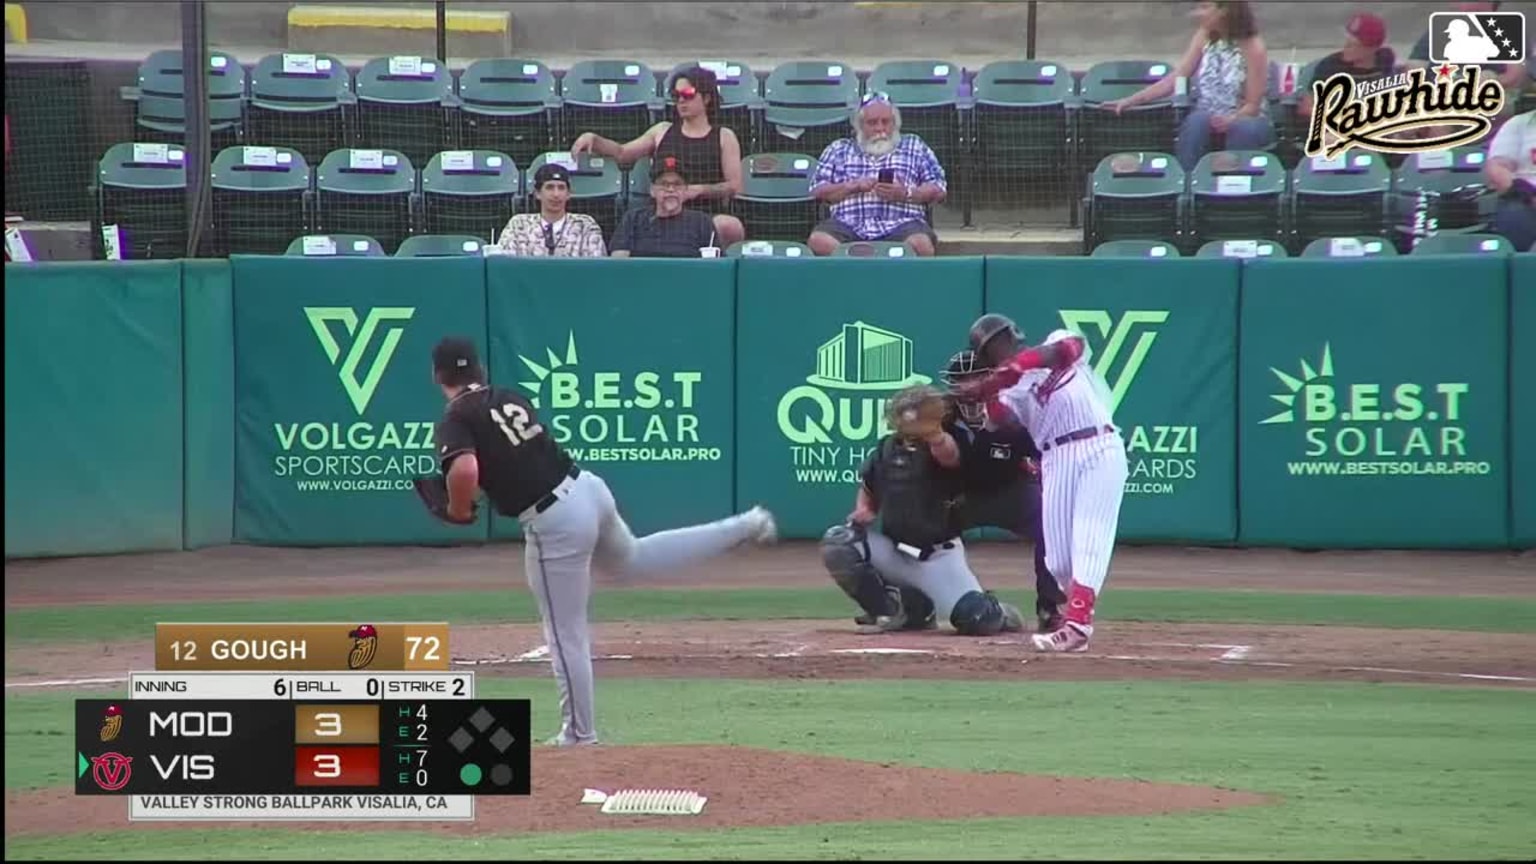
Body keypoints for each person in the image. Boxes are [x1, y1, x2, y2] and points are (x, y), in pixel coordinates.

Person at [423, 337, 779, 746]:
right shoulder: (507, 396)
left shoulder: (455, 416)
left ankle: (579, 734)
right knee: (634, 558)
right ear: (479, 370)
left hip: (554, 520)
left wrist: (458, 508)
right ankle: (747, 524)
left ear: (438, 376)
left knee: (565, 632)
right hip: (588, 489)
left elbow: (465, 470)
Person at [959, 316, 1129, 654]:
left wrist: (1017, 367)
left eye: (1000, 340)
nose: (999, 348)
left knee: (1089, 535)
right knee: (1059, 562)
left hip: (1097, 445)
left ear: (1013, 334)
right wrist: (989, 392)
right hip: (1055, 457)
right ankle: (1077, 615)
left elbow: (1068, 349)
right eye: (990, 347)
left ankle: (1077, 625)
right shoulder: (1007, 389)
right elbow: (1002, 425)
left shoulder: (1054, 341)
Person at [819, 384, 1027, 637]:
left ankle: (1000, 612)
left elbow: (948, 455)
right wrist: (864, 509)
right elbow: (868, 486)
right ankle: (895, 610)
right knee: (839, 543)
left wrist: (935, 434)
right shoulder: (886, 447)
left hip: (937, 558)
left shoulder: (947, 440)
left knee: (975, 616)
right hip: (896, 552)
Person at [940, 348, 1066, 632]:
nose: (968, 386)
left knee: (1051, 524)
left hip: (1012, 492)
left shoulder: (1012, 414)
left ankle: (1049, 608)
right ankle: (915, 608)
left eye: (976, 377)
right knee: (920, 525)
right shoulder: (938, 418)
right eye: (961, 379)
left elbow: (1045, 454)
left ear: (990, 380)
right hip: (962, 499)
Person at [569, 65, 746, 246]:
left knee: (729, 225)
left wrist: (698, 190)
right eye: (677, 96)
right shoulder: (662, 131)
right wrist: (595, 139)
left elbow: (734, 186)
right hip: (663, 210)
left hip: (705, 214)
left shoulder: (724, 136)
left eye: (688, 94)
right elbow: (623, 153)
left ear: (707, 97)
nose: (681, 101)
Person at [1105, 0, 1274, 171]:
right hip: (1209, 113)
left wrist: (1231, 120)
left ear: (1225, 11)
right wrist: (1132, 100)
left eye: (1205, 7)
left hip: (1246, 118)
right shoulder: (1204, 36)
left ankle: (1232, 186)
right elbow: (1176, 78)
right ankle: (1186, 183)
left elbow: (1253, 106)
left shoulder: (1254, 48)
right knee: (1196, 121)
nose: (1197, 13)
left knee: (1242, 129)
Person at [807, 92, 947, 256]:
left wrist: (906, 193)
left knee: (920, 244)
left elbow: (939, 188)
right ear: (859, 125)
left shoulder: (914, 145)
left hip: (903, 224)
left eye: (886, 122)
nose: (880, 128)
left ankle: (862, 269)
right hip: (848, 224)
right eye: (872, 123)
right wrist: (852, 186)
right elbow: (818, 190)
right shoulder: (838, 149)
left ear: (895, 123)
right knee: (819, 241)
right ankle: (862, 275)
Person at [610, 156, 720, 258]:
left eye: (677, 184)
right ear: (652, 190)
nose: (671, 189)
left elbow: (715, 265)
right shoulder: (633, 219)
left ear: (685, 190)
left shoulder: (701, 222)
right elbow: (618, 263)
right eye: (664, 184)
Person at [1297, 13, 1397, 120]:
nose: (1346, 47)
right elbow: (1307, 107)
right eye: (1347, 41)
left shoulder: (1384, 60)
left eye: (1354, 44)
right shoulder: (1331, 66)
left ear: (1372, 48)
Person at [494, 163, 607, 257]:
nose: (556, 194)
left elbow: (596, 267)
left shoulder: (585, 225)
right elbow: (506, 264)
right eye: (549, 187)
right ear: (537, 193)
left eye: (561, 188)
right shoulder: (519, 224)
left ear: (569, 194)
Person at [1485, 109, 1536, 251]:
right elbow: (1498, 168)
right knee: (1515, 212)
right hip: (1527, 200)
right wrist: (1528, 194)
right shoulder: (1518, 125)